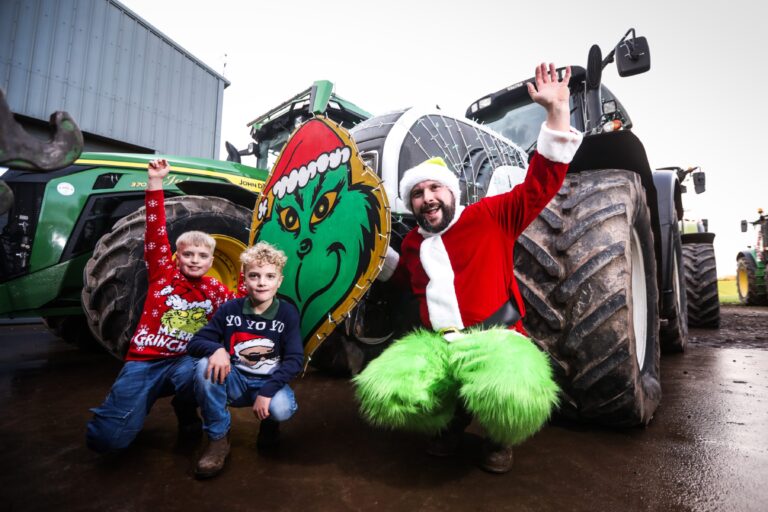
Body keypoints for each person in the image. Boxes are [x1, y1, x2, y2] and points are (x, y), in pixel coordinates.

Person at [354, 63, 584, 473]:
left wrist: (556, 113)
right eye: (418, 193)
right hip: (439, 343)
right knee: (387, 387)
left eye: (434, 188)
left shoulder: (491, 216)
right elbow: (402, 279)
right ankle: (450, 422)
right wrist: (371, 258)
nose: (427, 198)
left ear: (451, 192)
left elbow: (543, 181)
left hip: (495, 337)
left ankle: (499, 439)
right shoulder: (411, 243)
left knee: (512, 393)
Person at [86, 158, 237, 453]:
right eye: (188, 254)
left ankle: (190, 413)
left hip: (186, 363)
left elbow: (242, 302)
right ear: (176, 257)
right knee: (105, 441)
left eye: (202, 256)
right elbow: (155, 230)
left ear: (211, 260)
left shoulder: (216, 290)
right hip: (146, 362)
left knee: (206, 374)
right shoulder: (162, 274)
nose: (195, 260)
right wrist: (155, 182)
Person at [188, 241, 303, 479]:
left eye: (270, 276)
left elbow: (294, 359)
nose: (262, 282)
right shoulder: (230, 309)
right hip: (236, 380)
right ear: (244, 279)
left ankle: (269, 424)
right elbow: (196, 342)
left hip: (268, 382)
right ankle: (218, 439)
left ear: (279, 281)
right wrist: (216, 350)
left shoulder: (287, 313)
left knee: (281, 408)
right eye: (254, 275)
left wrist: (268, 390)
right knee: (203, 367)